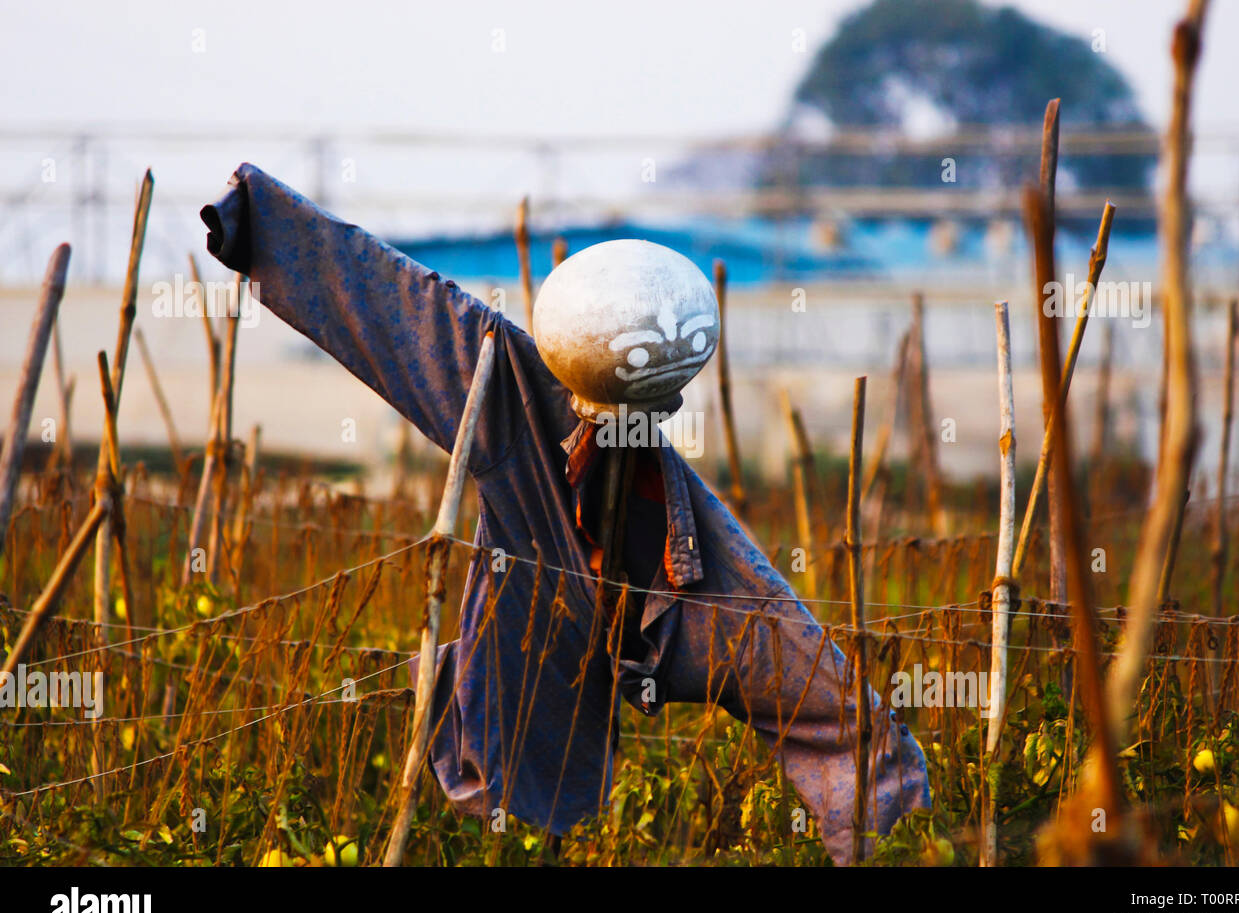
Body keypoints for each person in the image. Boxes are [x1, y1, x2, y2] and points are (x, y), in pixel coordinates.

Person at [201, 164, 929, 864]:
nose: (614, 434)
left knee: (814, 693)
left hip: (667, 625)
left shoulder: (718, 570)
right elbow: (393, 305)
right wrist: (258, 224)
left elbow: (827, 704)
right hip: (520, 708)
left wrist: (904, 838)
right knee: (522, 786)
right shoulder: (516, 403)